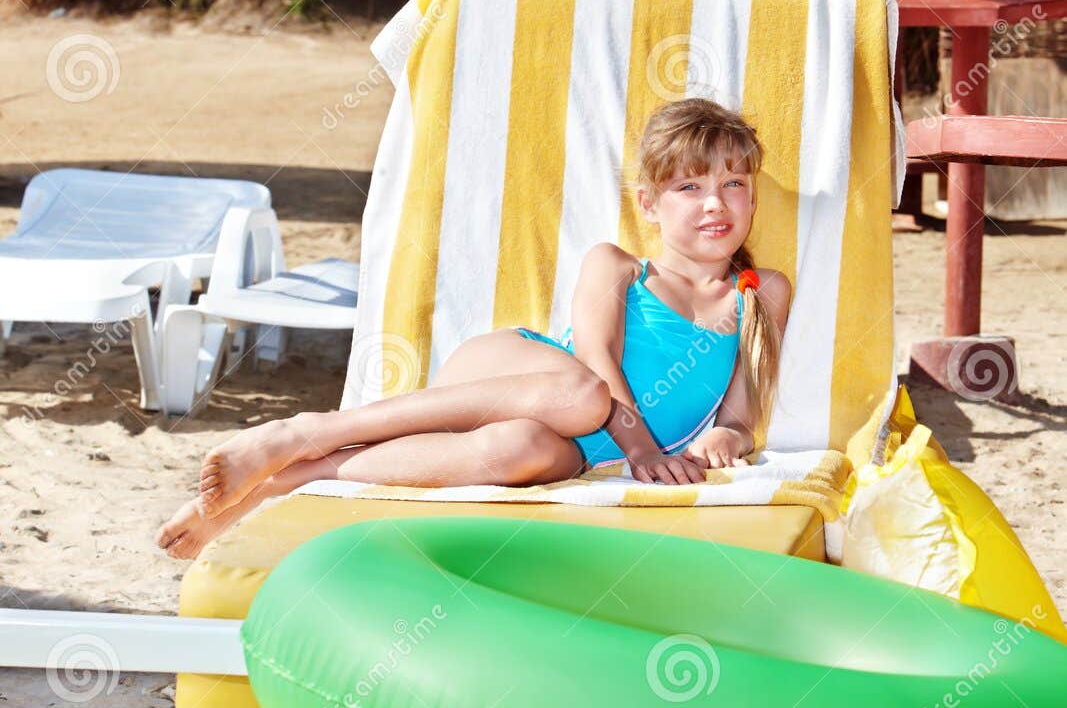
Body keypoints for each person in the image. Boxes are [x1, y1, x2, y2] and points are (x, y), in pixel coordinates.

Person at [158, 97, 790, 559]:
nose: (716, 203)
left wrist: (725, 440)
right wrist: (645, 451)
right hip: (517, 376)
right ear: (650, 204)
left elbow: (741, 411)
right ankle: (304, 431)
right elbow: (596, 355)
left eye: (734, 183)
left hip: (571, 445)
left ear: (753, 197)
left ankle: (289, 477)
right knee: (584, 396)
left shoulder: (762, 294)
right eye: (691, 186)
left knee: (522, 454)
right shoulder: (618, 267)